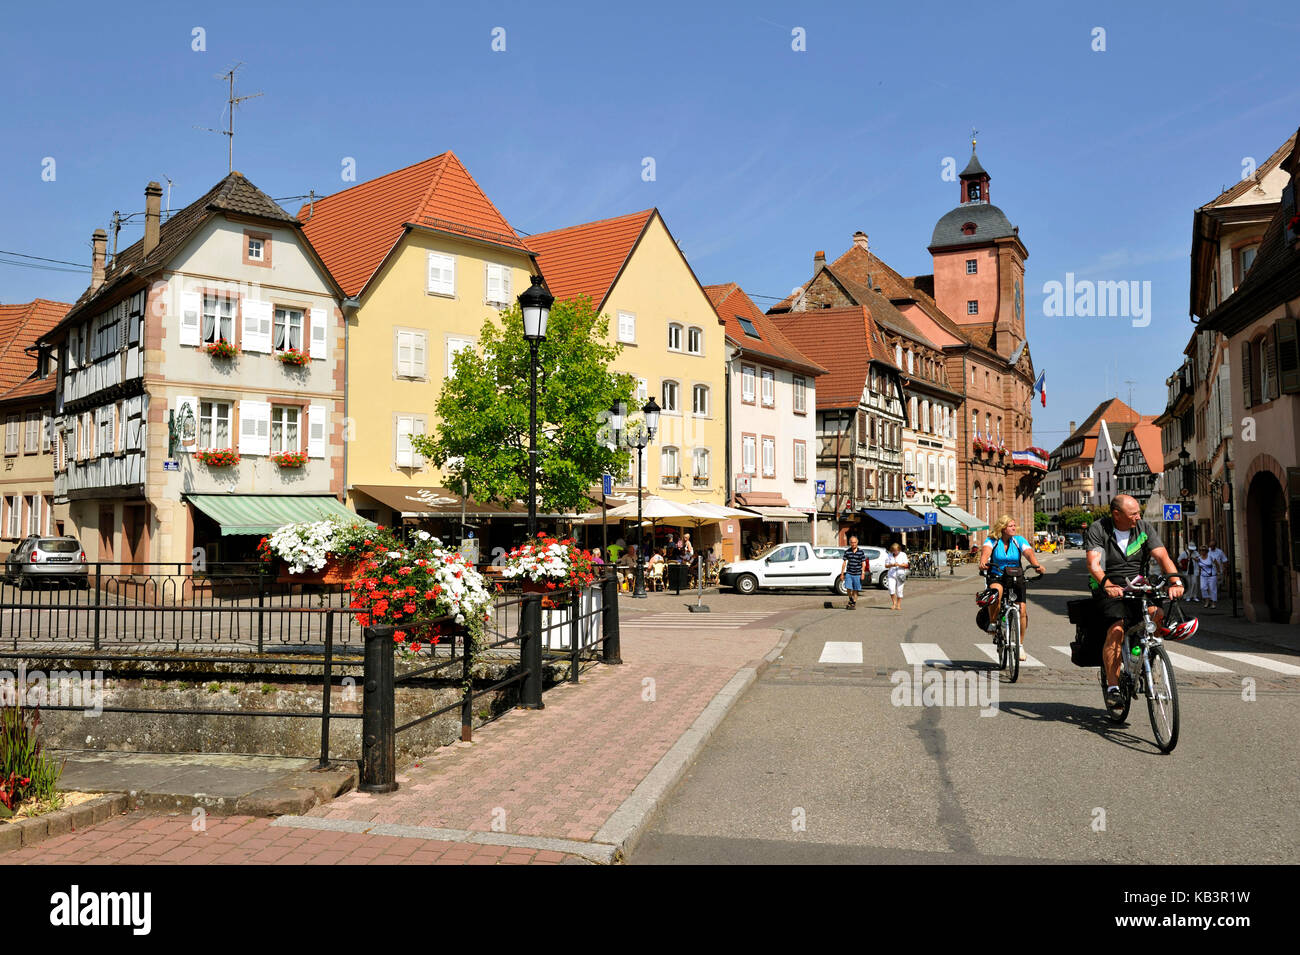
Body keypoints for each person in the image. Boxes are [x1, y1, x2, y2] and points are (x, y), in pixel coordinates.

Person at [1085, 495, 1184, 708]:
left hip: (1138, 582)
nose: (1138, 517)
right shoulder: (1099, 529)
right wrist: (1108, 585)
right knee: (1117, 629)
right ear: (1116, 514)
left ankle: (1149, 652)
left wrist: (1175, 581)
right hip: (1107, 584)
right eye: (1133, 514)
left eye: (1138, 512)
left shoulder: (1144, 528)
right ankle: (1113, 688)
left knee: (1157, 614)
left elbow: (1162, 557)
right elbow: (1094, 564)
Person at [978, 515, 1046, 661]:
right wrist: (983, 562)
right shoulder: (992, 540)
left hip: (1015, 576)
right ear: (1003, 528)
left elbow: (1028, 552)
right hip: (997, 575)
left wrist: (1036, 565)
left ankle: (1020, 645)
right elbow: (986, 552)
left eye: (1014, 525)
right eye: (1011, 526)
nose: (1014, 528)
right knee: (996, 592)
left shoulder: (1018, 540)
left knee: (1022, 609)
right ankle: (993, 622)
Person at [839, 535, 867, 609]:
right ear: (850, 543)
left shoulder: (861, 552)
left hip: (857, 573)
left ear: (857, 542)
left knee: (856, 589)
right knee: (848, 587)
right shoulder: (847, 551)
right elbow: (844, 563)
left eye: (855, 542)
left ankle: (853, 603)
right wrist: (842, 574)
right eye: (852, 542)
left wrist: (863, 573)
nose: (853, 544)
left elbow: (863, 563)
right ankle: (851, 599)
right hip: (849, 572)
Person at [885, 543, 909, 611]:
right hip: (891, 574)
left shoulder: (903, 554)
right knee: (891, 589)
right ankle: (894, 603)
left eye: (896, 550)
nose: (895, 552)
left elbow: (906, 565)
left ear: (899, 549)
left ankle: (898, 604)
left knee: (899, 590)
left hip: (900, 574)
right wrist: (892, 565)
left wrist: (899, 565)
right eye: (894, 550)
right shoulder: (889, 555)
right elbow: (886, 565)